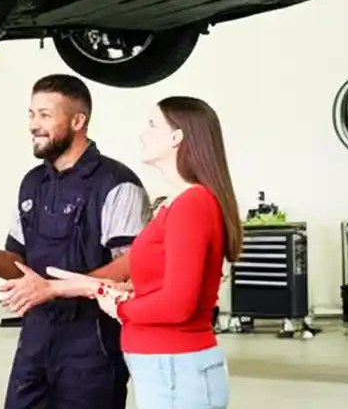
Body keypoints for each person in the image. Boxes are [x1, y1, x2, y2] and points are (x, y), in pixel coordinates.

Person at [0, 74, 152, 409]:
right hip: (36, 339)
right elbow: (17, 264)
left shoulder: (117, 184)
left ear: (78, 121)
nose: (34, 125)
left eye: (45, 115)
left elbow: (134, 265)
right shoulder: (32, 184)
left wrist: (56, 288)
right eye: (31, 114)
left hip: (92, 346)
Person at [89, 96, 243, 409]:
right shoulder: (174, 204)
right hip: (167, 368)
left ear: (177, 137)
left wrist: (120, 306)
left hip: (176, 369)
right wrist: (131, 290)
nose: (142, 134)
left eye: (152, 124)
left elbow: (177, 305)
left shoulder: (192, 204)